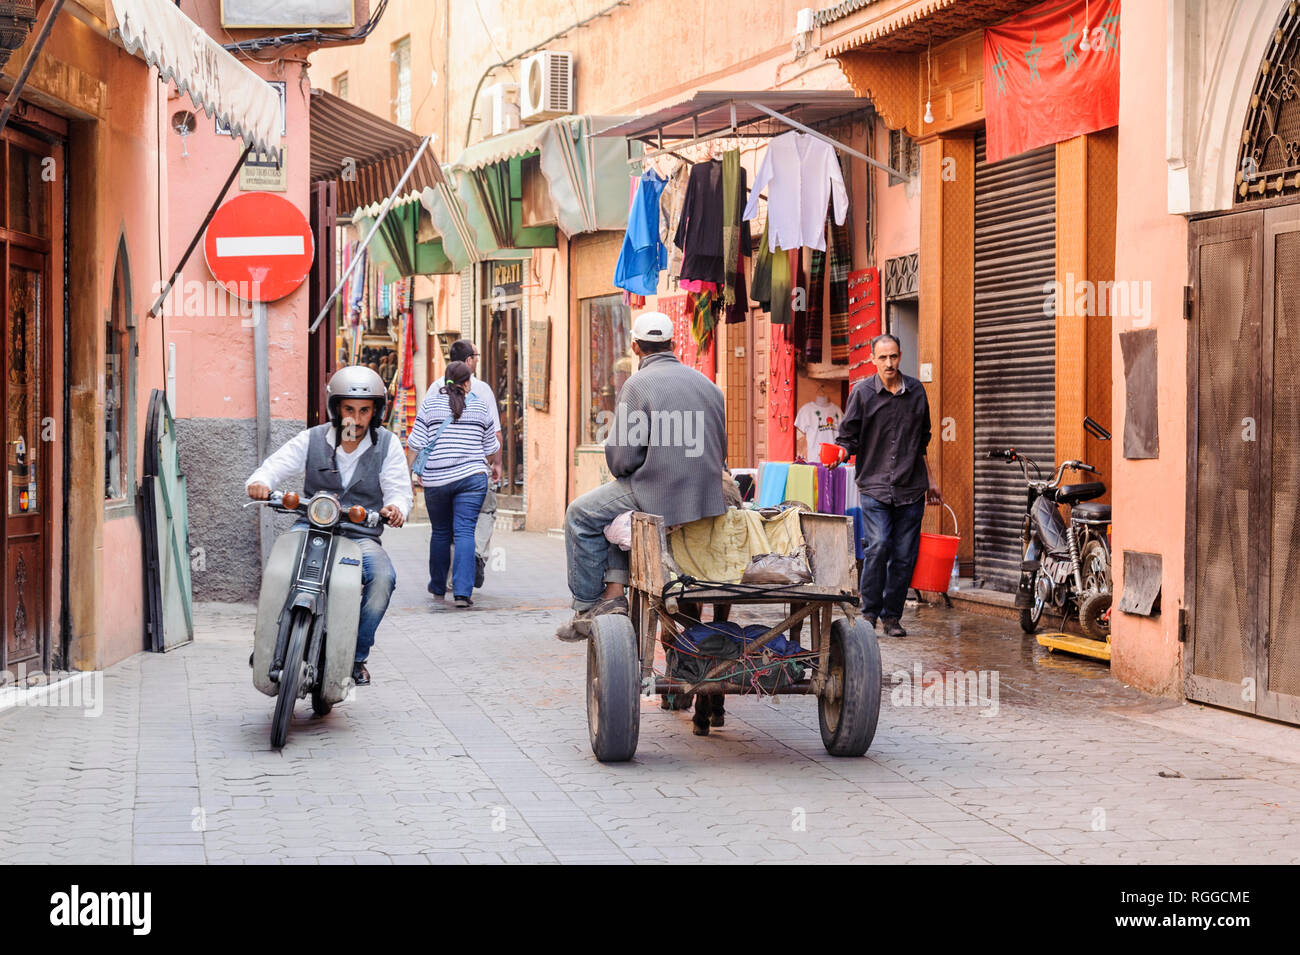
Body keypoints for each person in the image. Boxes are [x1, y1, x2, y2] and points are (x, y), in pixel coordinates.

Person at [556, 311, 727, 642]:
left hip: (658, 491)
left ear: (635, 347)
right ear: (673, 344)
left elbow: (621, 459)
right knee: (612, 510)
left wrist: (630, 470)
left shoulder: (637, 385)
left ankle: (588, 606)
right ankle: (614, 594)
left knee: (580, 514)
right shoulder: (708, 384)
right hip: (708, 493)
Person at [246, 366, 411, 686]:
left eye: (365, 410)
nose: (356, 418)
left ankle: (356, 657)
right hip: (311, 527)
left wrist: (397, 508)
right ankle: (266, 643)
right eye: (349, 409)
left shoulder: (388, 445)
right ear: (336, 408)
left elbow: (399, 490)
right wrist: (260, 482)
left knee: (382, 578)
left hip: (360, 536)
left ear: (376, 411)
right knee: (278, 569)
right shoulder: (312, 439)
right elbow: (275, 466)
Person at [832, 333, 942, 638]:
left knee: (905, 554)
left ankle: (892, 616)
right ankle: (869, 610)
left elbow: (922, 441)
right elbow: (847, 437)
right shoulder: (863, 393)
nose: (889, 363)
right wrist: (841, 453)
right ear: (873, 360)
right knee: (879, 546)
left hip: (911, 486)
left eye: (893, 356)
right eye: (882, 357)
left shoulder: (916, 391)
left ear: (900, 356)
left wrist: (931, 481)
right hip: (875, 484)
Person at [407, 360, 499, 608]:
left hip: (436, 479)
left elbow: (415, 443)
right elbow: (491, 448)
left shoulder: (430, 404)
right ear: (468, 382)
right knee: (465, 531)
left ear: (445, 381)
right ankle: (462, 593)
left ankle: (438, 587)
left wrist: (411, 475)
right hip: (472, 478)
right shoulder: (480, 407)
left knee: (440, 531)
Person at [446, 339, 502, 590]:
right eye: (476, 356)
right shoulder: (482, 389)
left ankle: (448, 578)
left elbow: (422, 433)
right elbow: (495, 433)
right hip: (476, 469)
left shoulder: (436, 388)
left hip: (444, 472)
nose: (477, 360)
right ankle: (477, 555)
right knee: (484, 513)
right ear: (468, 360)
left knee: (449, 522)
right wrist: (496, 464)